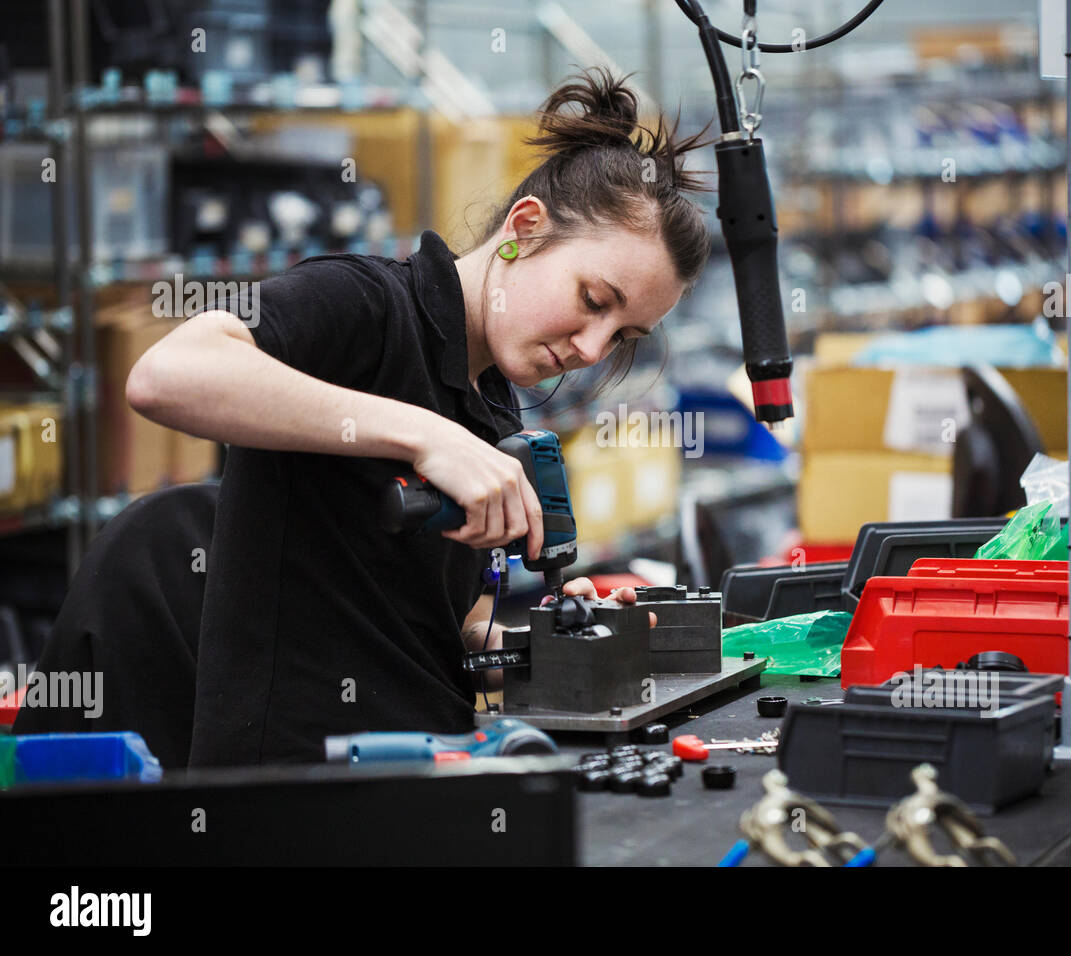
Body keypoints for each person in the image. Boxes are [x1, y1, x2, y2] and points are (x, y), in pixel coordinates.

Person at [125, 66, 714, 767]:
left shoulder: (490, 398)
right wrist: (426, 436)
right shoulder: (367, 304)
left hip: (427, 764)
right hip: (292, 778)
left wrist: (547, 646)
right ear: (524, 231)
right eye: (593, 299)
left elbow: (444, 622)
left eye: (622, 336)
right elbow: (166, 375)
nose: (590, 349)